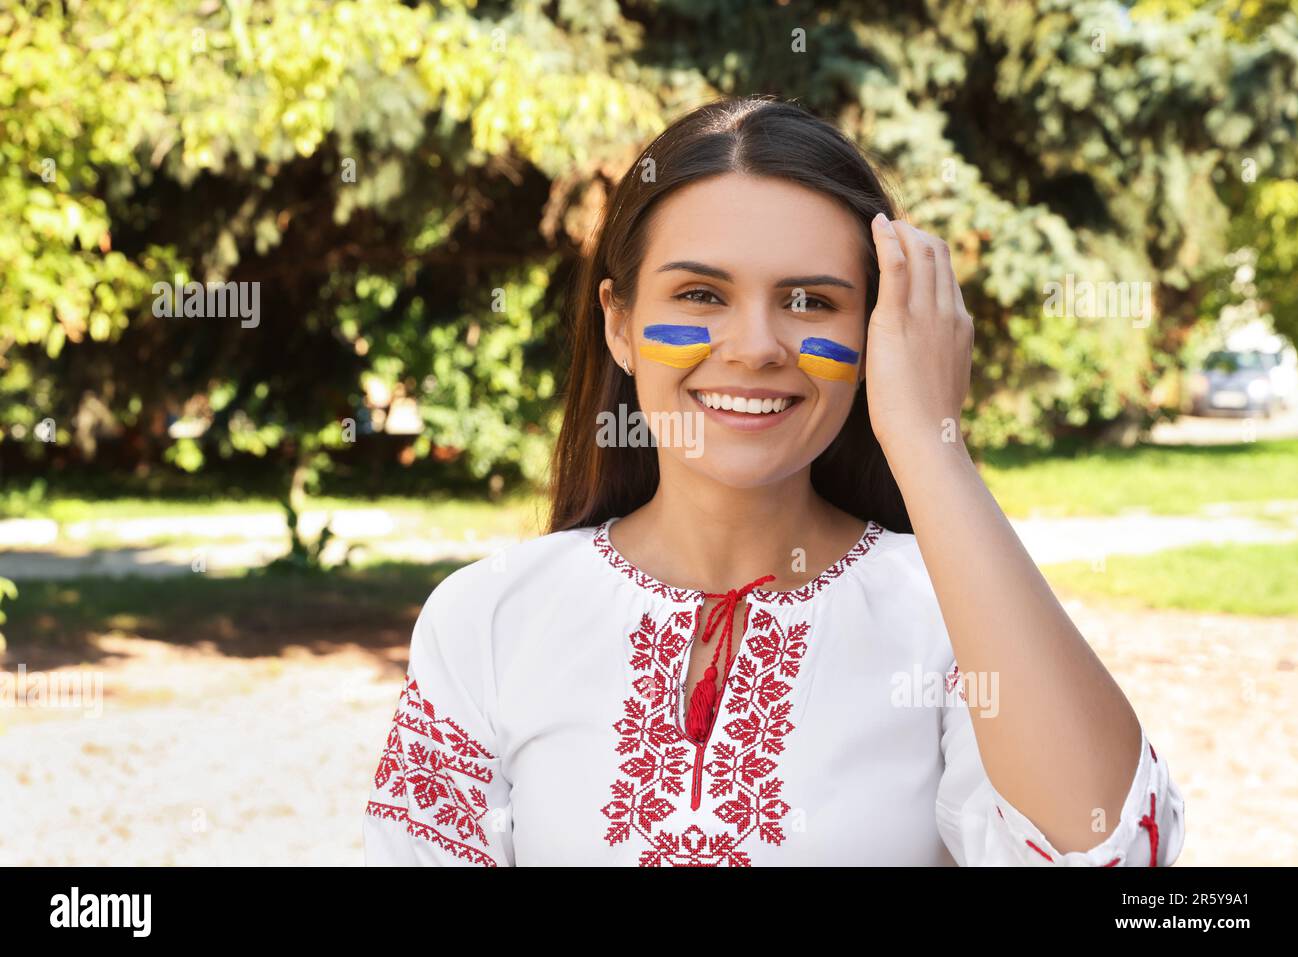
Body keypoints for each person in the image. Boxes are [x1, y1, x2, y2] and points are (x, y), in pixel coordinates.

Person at [362, 95, 1185, 866]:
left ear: (876, 331)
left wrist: (931, 441)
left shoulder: (951, 618)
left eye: (809, 301)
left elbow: (1115, 857)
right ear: (619, 323)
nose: (755, 345)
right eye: (700, 293)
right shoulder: (490, 619)